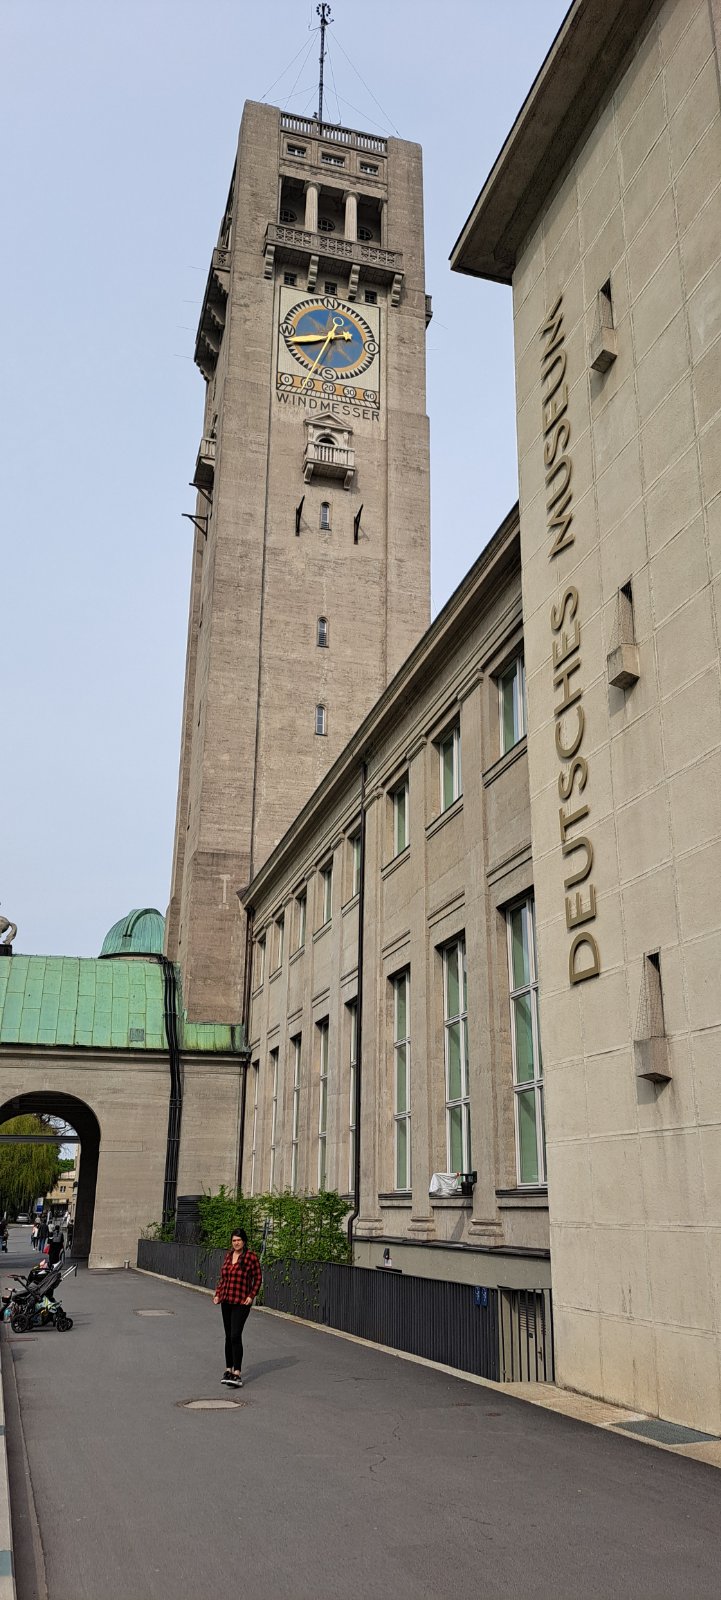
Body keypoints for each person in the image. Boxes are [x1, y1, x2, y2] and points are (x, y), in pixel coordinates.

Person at [212, 1227, 262, 1388]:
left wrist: (251, 1296)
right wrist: (218, 1294)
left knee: (235, 1335)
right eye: (234, 1240)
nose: (236, 1243)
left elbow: (258, 1278)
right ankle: (228, 1369)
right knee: (228, 1336)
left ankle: (237, 1373)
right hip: (227, 1300)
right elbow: (223, 1278)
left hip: (241, 1302)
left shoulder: (250, 1257)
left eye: (239, 1240)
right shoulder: (228, 1256)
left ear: (244, 1241)